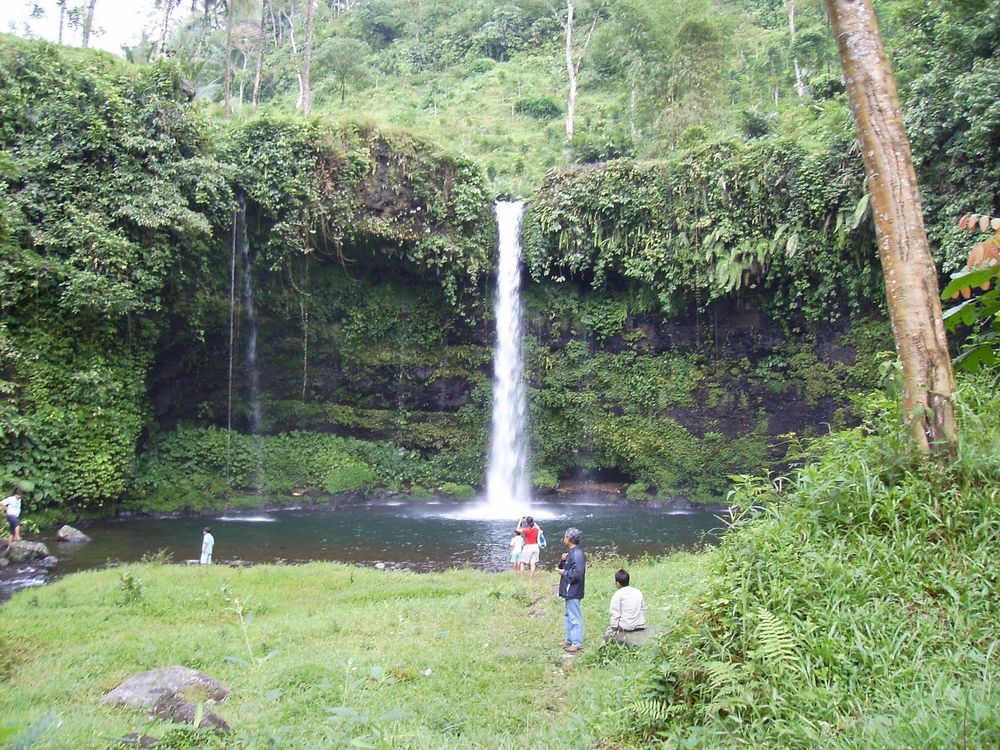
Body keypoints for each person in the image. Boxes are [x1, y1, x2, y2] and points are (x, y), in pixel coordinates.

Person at [557, 527, 586, 652]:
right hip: (569, 591)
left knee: (574, 617)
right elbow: (565, 567)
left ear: (569, 539)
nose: (564, 539)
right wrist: (563, 561)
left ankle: (576, 642)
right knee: (568, 615)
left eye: (565, 537)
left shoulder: (577, 554)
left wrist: (564, 573)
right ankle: (569, 640)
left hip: (573, 590)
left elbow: (578, 573)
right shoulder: (571, 553)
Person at [601, 568, 647, 647]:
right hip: (640, 624)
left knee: (607, 634)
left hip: (626, 626)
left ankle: (602, 648)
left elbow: (615, 615)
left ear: (617, 583)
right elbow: (643, 608)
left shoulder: (618, 594)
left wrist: (613, 629)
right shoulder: (637, 592)